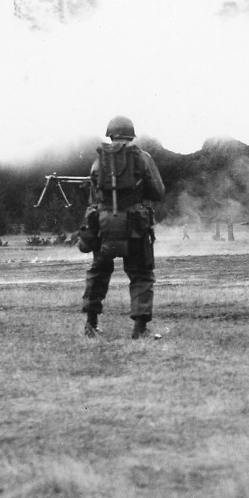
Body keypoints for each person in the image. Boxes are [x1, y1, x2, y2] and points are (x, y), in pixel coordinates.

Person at [80, 115, 165, 339]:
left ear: (110, 134)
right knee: (141, 275)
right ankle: (139, 329)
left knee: (98, 273)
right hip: (136, 225)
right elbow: (158, 191)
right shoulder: (143, 158)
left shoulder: (98, 161)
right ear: (131, 135)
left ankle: (91, 325)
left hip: (104, 226)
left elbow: (93, 197)